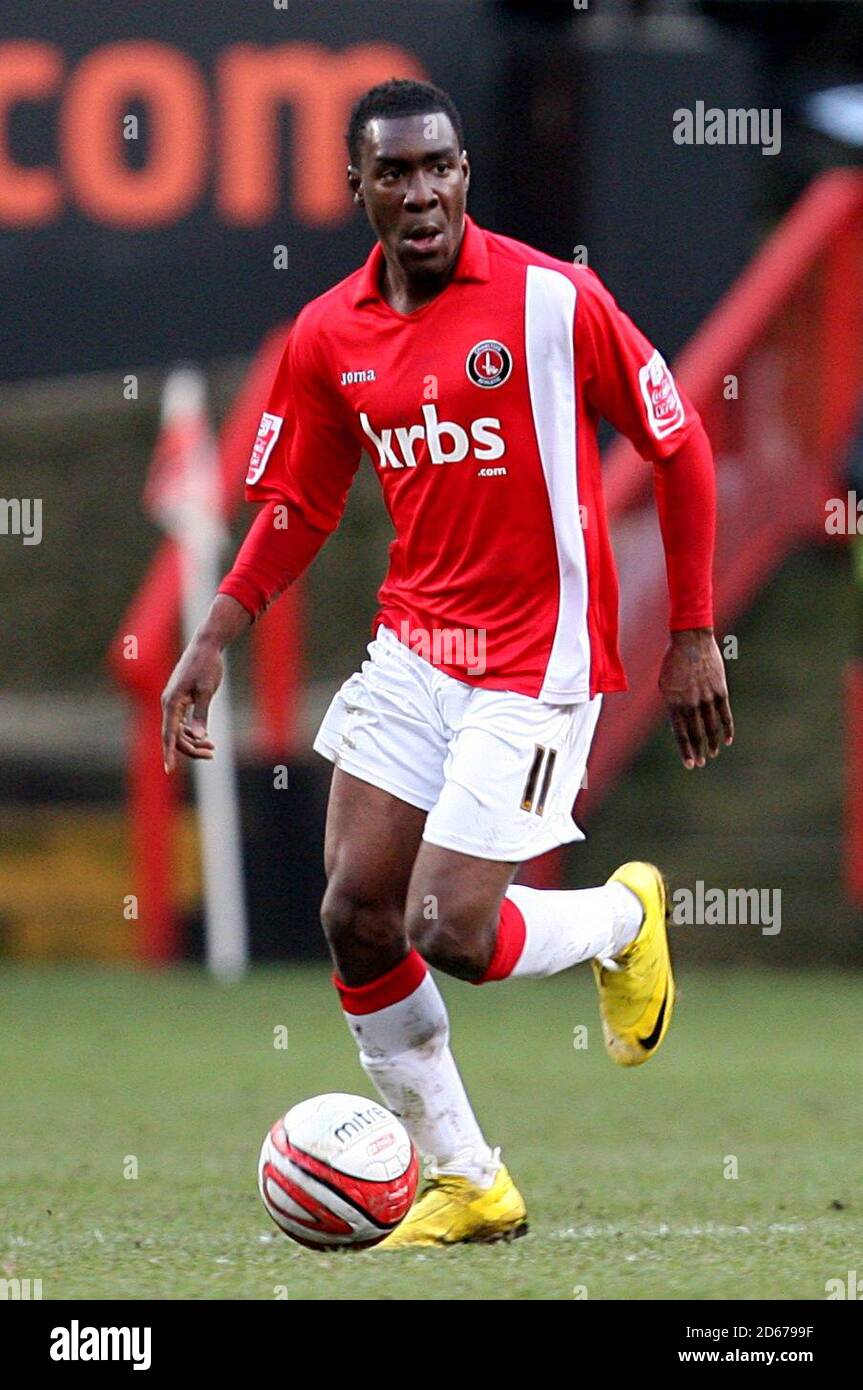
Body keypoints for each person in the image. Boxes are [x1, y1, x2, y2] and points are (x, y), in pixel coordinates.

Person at [161, 78, 733, 1248]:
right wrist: (216, 633)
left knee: (451, 931)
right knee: (357, 913)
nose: (419, 191)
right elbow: (297, 504)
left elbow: (678, 449)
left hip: (535, 660)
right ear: (356, 185)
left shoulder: (550, 297)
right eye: (394, 172)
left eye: (439, 167)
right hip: (415, 648)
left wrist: (688, 631)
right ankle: (469, 1180)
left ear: (466, 173)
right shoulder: (328, 334)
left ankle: (622, 920)